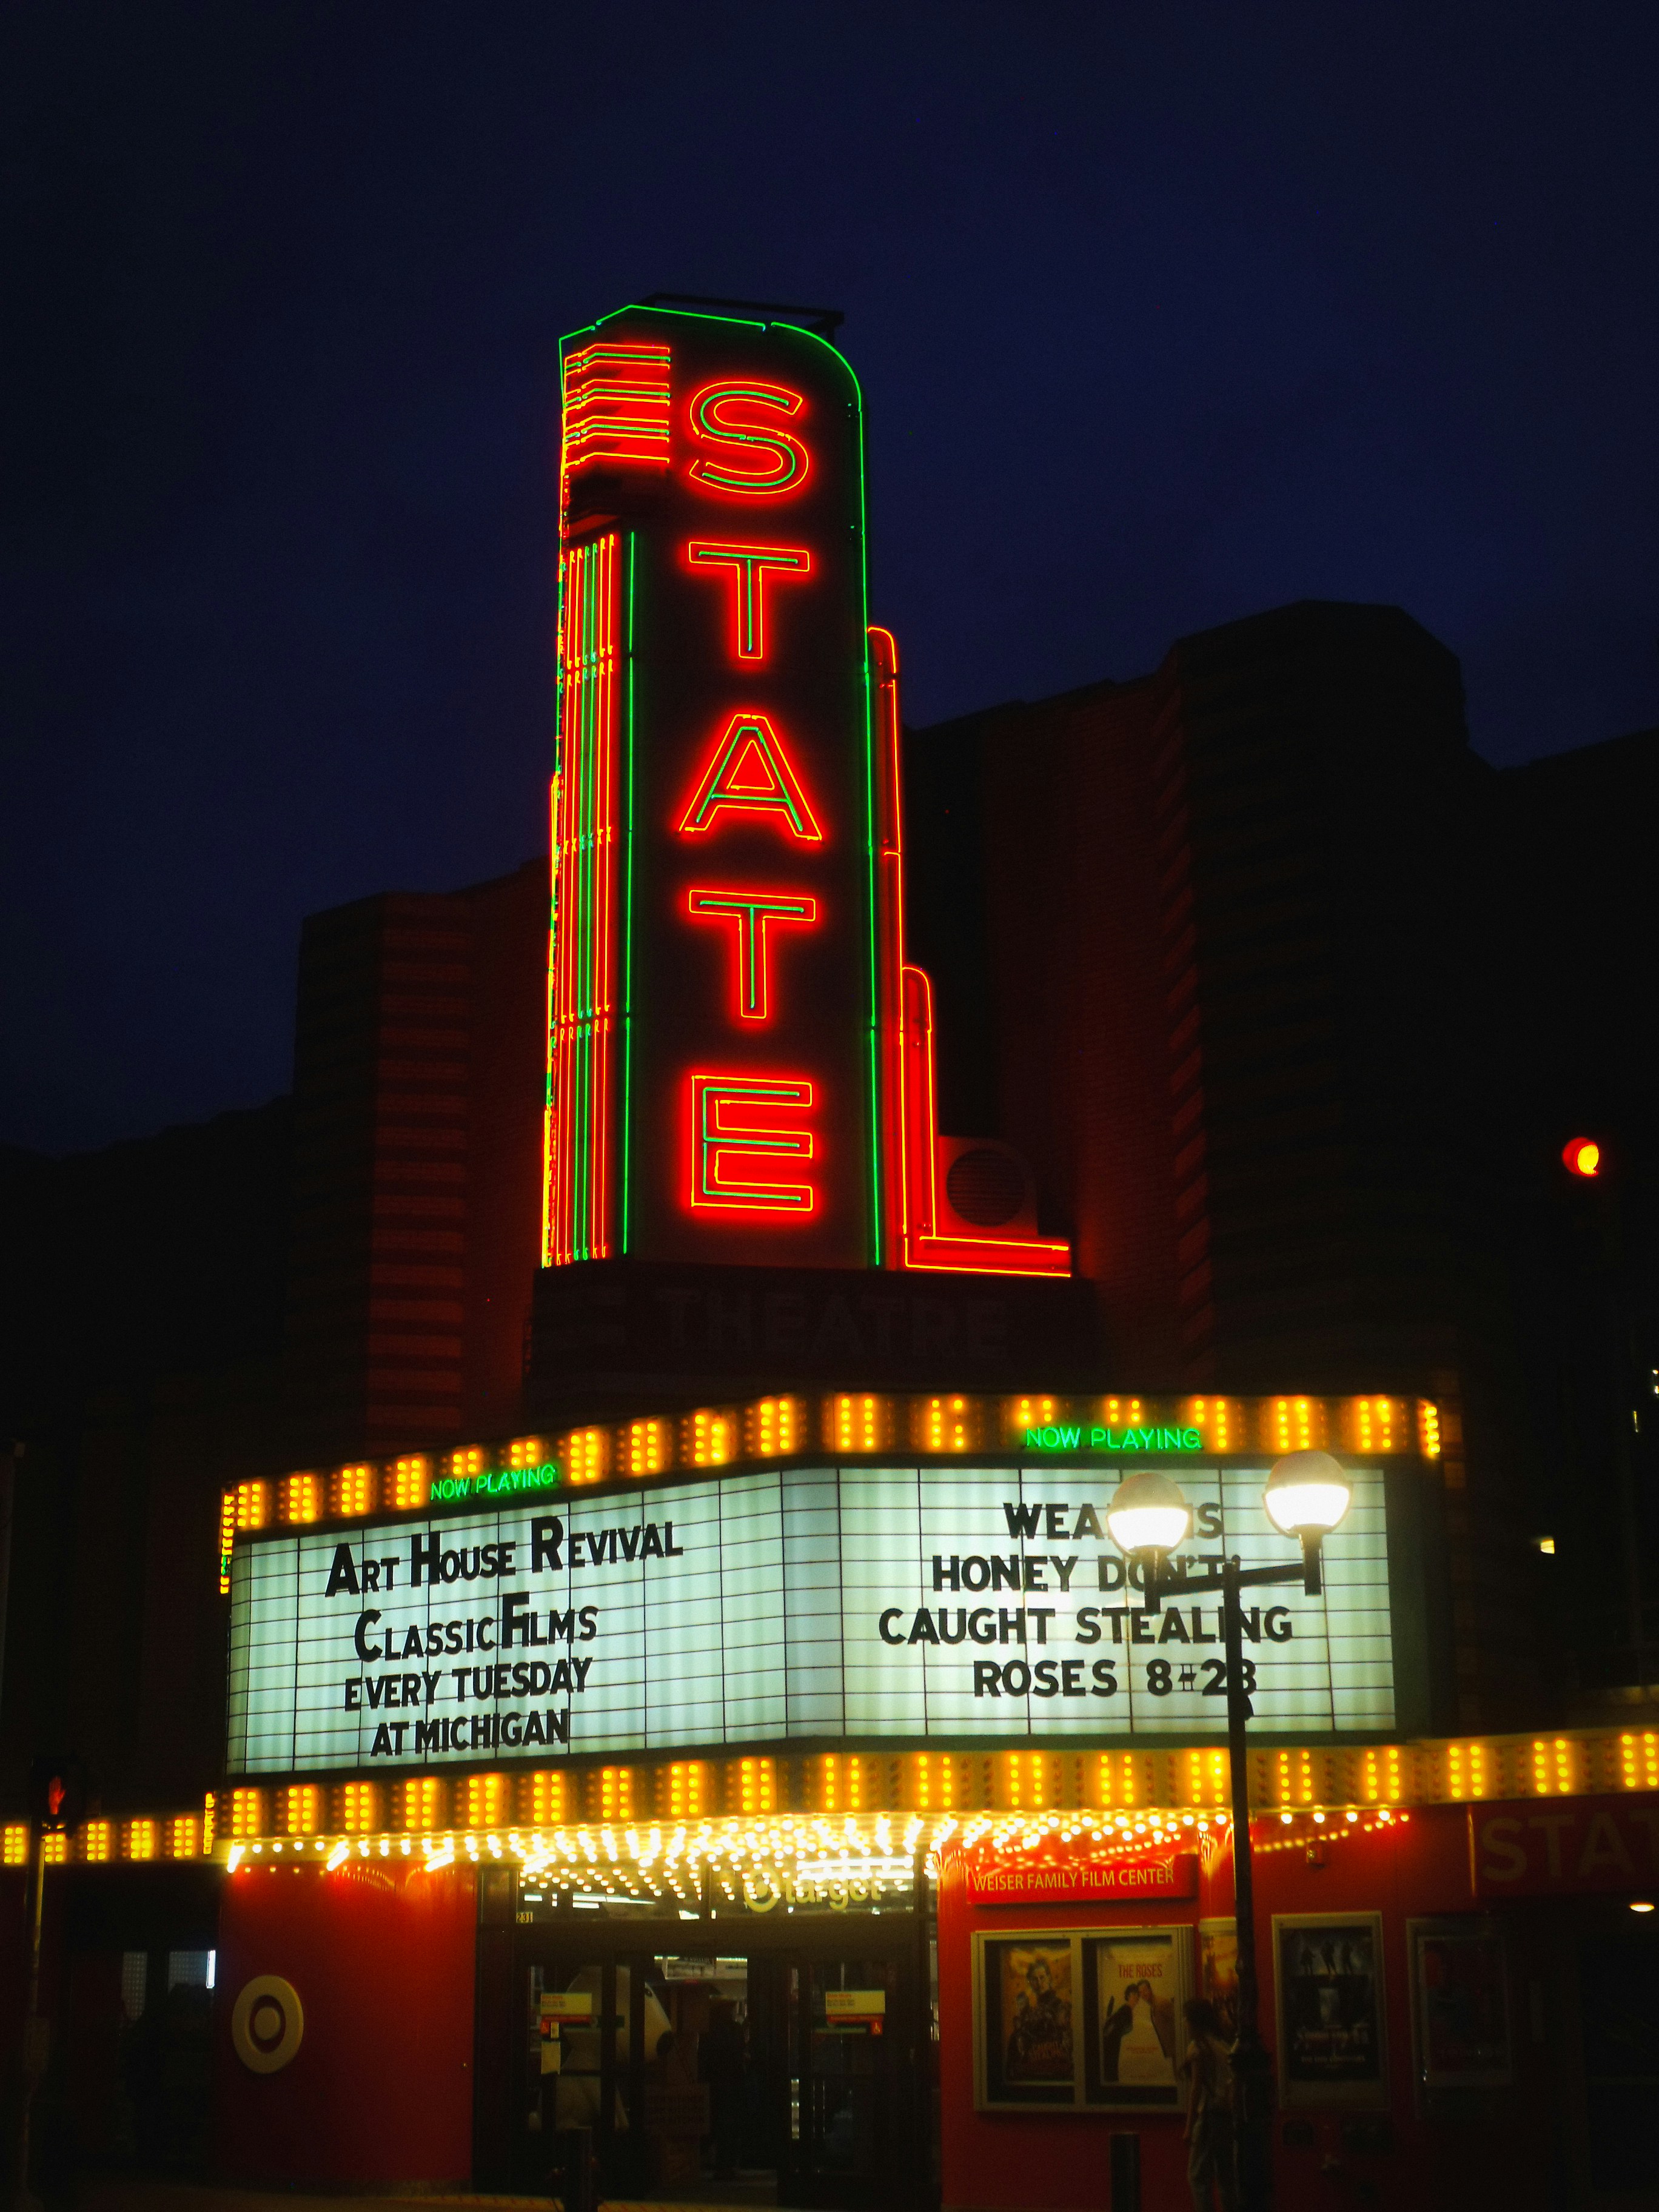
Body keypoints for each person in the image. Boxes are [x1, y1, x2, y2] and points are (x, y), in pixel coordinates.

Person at [1179, 1997, 1237, 2212]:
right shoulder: (1222, 2045)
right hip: (1226, 2116)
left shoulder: (1198, 2048)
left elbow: (1195, 2089)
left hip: (1209, 2116)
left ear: (1194, 2022)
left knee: (1197, 2177)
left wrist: (1188, 2127)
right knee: (1225, 2178)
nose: (1184, 2022)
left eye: (1186, 2018)